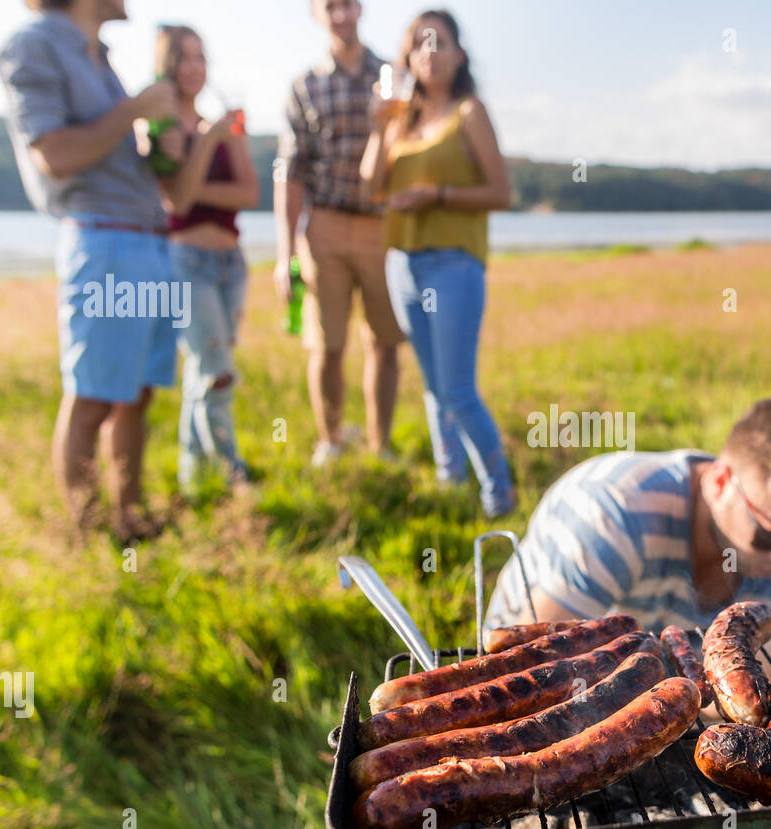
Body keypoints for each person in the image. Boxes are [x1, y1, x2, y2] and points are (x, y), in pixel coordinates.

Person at [0, 0, 179, 542]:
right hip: (105, 243)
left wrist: (160, 143)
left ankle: (129, 517)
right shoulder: (32, 44)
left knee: (138, 393)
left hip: (149, 241)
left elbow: (108, 148)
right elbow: (54, 153)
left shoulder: (100, 57)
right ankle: (88, 535)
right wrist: (135, 110)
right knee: (95, 395)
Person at [485, 395, 771, 643]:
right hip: (577, 671)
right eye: (769, 537)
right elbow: (535, 667)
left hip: (679, 696)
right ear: (720, 482)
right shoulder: (615, 515)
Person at [360, 9, 516, 518]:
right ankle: (451, 485)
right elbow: (370, 187)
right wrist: (380, 127)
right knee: (431, 388)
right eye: (420, 44)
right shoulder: (400, 120)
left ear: (459, 54)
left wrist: (438, 195)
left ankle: (499, 495)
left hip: (454, 264)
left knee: (458, 390)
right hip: (402, 263)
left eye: (440, 42)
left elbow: (501, 192)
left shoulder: (470, 112)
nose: (430, 52)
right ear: (407, 57)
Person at [275, 0, 405, 468]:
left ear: (360, 9)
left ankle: (380, 443)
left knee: (384, 341)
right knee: (326, 344)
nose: (341, 15)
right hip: (324, 225)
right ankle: (330, 440)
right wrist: (284, 251)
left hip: (381, 225)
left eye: (348, 4)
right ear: (316, 14)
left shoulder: (392, 74)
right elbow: (290, 173)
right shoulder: (305, 85)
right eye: (331, 7)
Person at [144, 25, 259, 490]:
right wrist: (210, 140)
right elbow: (176, 202)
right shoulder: (159, 127)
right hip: (185, 261)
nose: (194, 67)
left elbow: (250, 192)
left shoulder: (221, 126)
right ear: (168, 65)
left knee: (205, 368)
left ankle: (194, 477)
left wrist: (212, 145)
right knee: (217, 372)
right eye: (184, 57)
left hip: (232, 263)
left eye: (200, 57)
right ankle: (233, 473)